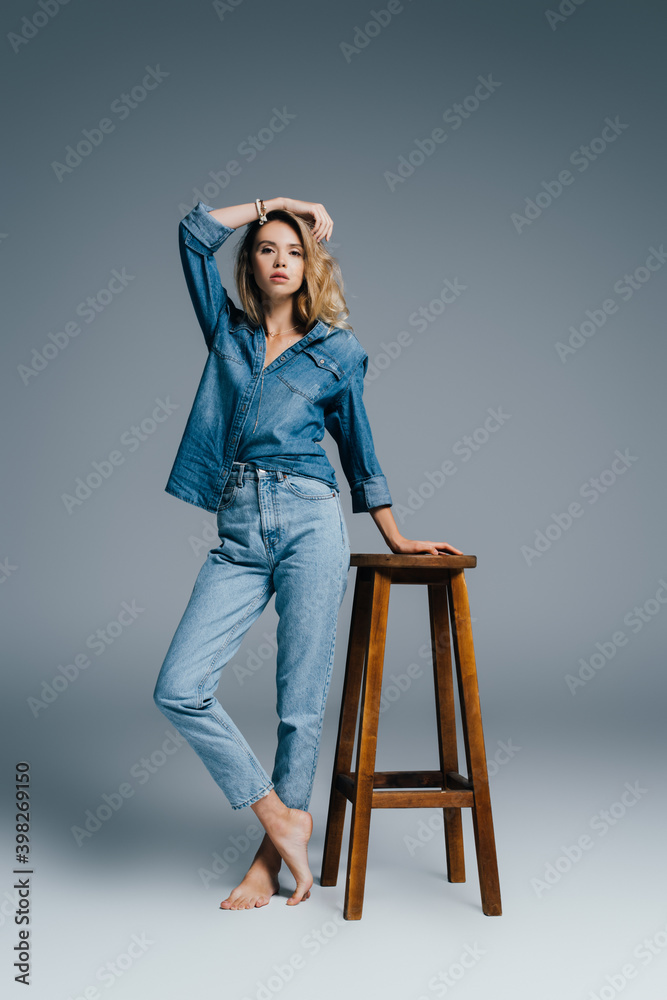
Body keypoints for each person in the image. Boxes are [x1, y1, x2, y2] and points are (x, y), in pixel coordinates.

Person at [153, 195, 462, 910]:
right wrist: (276, 203)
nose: (280, 260)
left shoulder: (338, 352)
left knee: (299, 703)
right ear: (252, 265)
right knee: (179, 687)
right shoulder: (228, 331)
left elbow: (358, 448)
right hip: (238, 527)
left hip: (309, 520)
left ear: (310, 266)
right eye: (267, 248)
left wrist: (394, 533)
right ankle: (281, 817)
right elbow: (193, 236)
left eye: (294, 250)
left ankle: (270, 863)